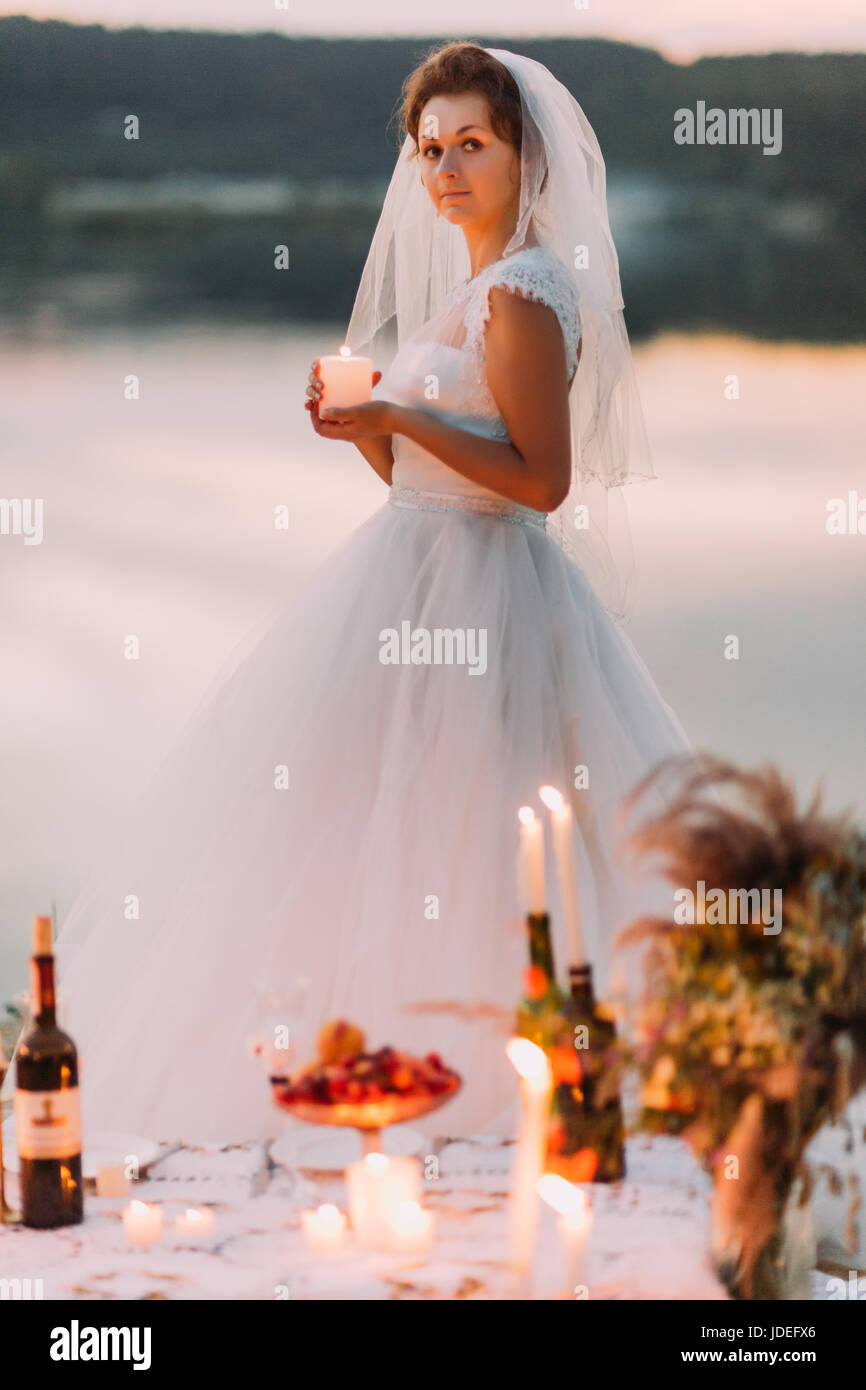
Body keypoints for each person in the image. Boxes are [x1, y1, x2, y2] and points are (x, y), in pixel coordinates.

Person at [3, 42, 694, 1145]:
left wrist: (400, 416)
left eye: (472, 144)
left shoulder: (522, 289)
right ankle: (370, 1080)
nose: (447, 169)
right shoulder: (471, 290)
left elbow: (538, 483)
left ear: (523, 154)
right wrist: (364, 429)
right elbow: (427, 476)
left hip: (480, 599)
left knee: (459, 828)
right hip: (411, 579)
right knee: (359, 825)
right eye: (432, 149)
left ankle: (474, 1101)